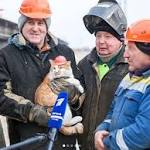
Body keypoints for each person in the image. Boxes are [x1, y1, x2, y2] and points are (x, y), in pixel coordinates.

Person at [0, 0, 81, 149]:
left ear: (46, 26)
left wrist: (73, 95)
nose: (36, 28)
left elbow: (81, 96)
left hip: (62, 142)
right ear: (22, 25)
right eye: (30, 22)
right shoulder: (6, 56)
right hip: (27, 142)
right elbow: (2, 97)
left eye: (40, 23)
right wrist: (35, 113)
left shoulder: (65, 52)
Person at [78, 0, 128, 149]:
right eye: (98, 36)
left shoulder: (130, 67)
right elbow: (76, 106)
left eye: (107, 36)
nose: (101, 41)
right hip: (85, 144)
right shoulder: (84, 65)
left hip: (113, 143)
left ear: (120, 39)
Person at [95, 19, 150, 150]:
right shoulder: (129, 78)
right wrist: (101, 130)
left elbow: (143, 134)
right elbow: (113, 111)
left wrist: (106, 142)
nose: (125, 55)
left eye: (131, 49)